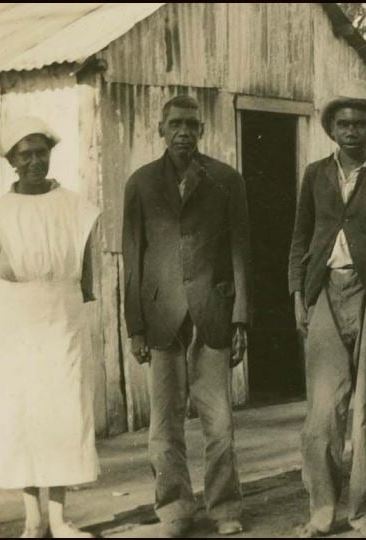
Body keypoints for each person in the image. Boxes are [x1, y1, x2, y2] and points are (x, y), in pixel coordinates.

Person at [122, 95, 252, 538]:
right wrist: (135, 326)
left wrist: (240, 318)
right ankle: (175, 508)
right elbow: (133, 258)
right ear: (160, 129)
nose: (183, 132)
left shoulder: (226, 180)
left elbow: (239, 252)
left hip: (212, 312)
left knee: (219, 421)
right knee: (164, 421)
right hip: (162, 318)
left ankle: (225, 506)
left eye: (191, 125)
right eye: (174, 124)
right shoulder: (140, 183)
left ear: (202, 130)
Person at [0, 116, 100, 539]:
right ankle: (34, 519)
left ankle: (61, 519)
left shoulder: (75, 207)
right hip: (16, 320)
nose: (34, 161)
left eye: (40, 152)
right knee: (23, 412)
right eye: (24, 154)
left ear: (51, 153)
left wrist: (67, 299)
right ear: (11, 160)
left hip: (62, 315)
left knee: (63, 411)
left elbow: (86, 272)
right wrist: (13, 302)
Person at [288, 96, 366, 538]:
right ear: (330, 130)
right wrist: (299, 293)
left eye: (360, 124)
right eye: (342, 124)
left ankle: (365, 511)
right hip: (324, 291)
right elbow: (301, 237)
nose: (351, 130)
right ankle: (321, 508)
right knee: (322, 410)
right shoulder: (315, 174)